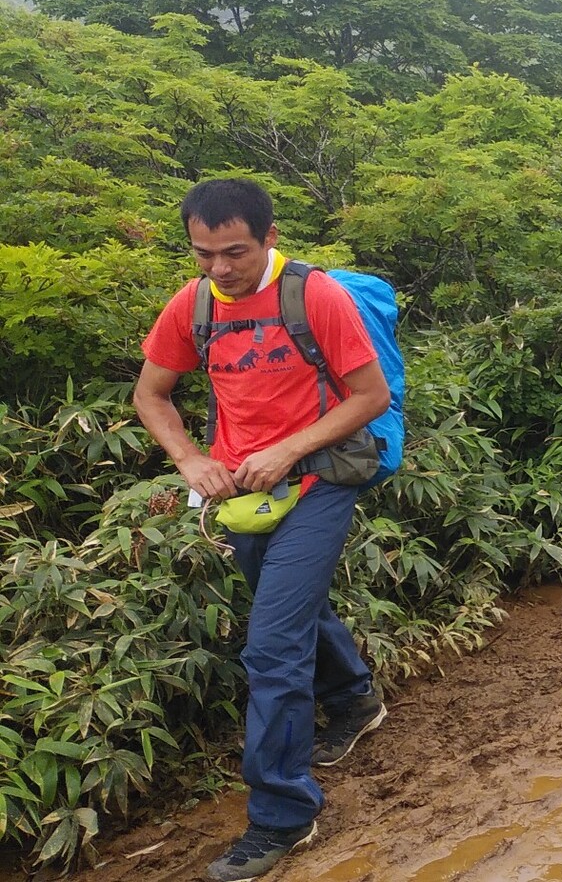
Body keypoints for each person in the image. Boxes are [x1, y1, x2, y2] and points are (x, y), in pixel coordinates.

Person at [132, 179, 389, 882]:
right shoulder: (195, 305)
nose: (220, 268)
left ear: (271, 238)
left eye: (235, 252)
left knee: (272, 647)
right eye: (204, 253)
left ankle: (283, 815)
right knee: (291, 605)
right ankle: (356, 699)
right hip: (246, 493)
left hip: (322, 478)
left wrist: (289, 448)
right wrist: (189, 458)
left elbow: (371, 395)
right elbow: (150, 394)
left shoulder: (315, 298)